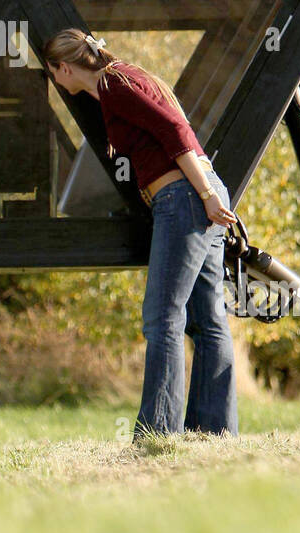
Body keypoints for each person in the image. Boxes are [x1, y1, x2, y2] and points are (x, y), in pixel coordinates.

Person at [42, 28, 239, 438]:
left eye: (52, 74)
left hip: (185, 197)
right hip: (196, 193)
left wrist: (203, 194)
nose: (55, 82)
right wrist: (208, 193)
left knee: (162, 318)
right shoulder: (125, 76)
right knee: (206, 319)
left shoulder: (113, 84)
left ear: (64, 68)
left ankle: (158, 431)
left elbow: (176, 132)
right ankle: (213, 432)